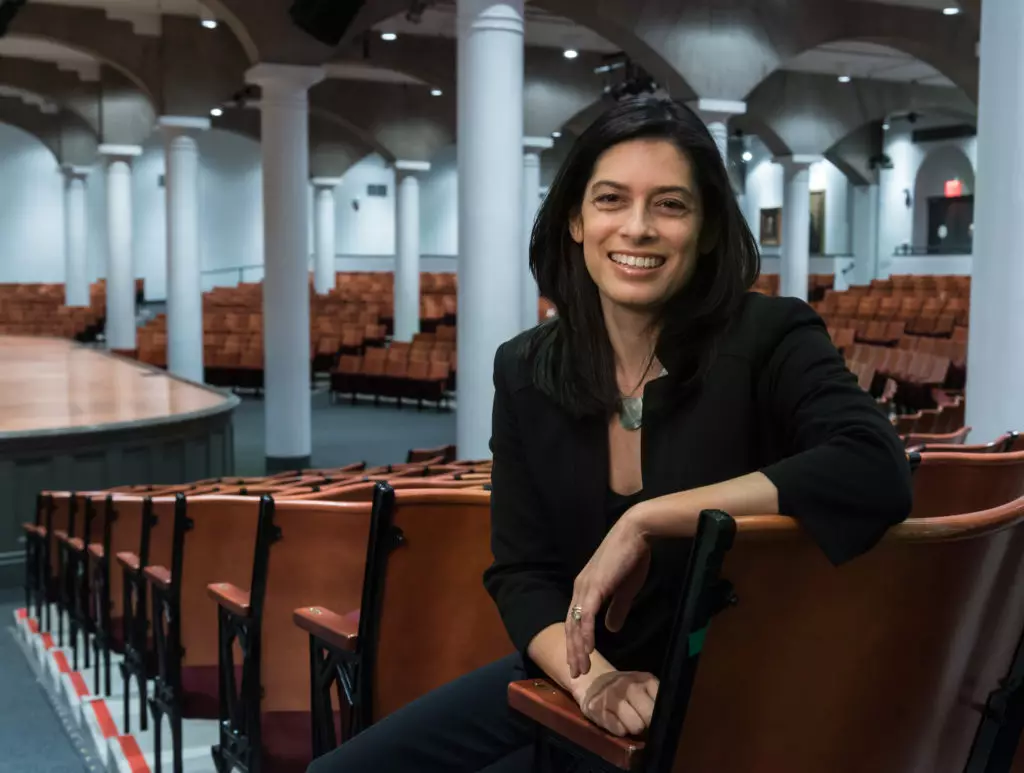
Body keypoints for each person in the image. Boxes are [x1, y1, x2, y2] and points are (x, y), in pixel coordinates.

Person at [307, 95, 913, 773]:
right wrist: (592, 679)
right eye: (610, 200)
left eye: (670, 204)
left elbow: (876, 467)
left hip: (732, 687)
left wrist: (649, 520)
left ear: (708, 227)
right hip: (584, 672)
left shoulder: (770, 336)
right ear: (575, 218)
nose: (637, 227)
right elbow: (522, 572)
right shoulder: (526, 367)